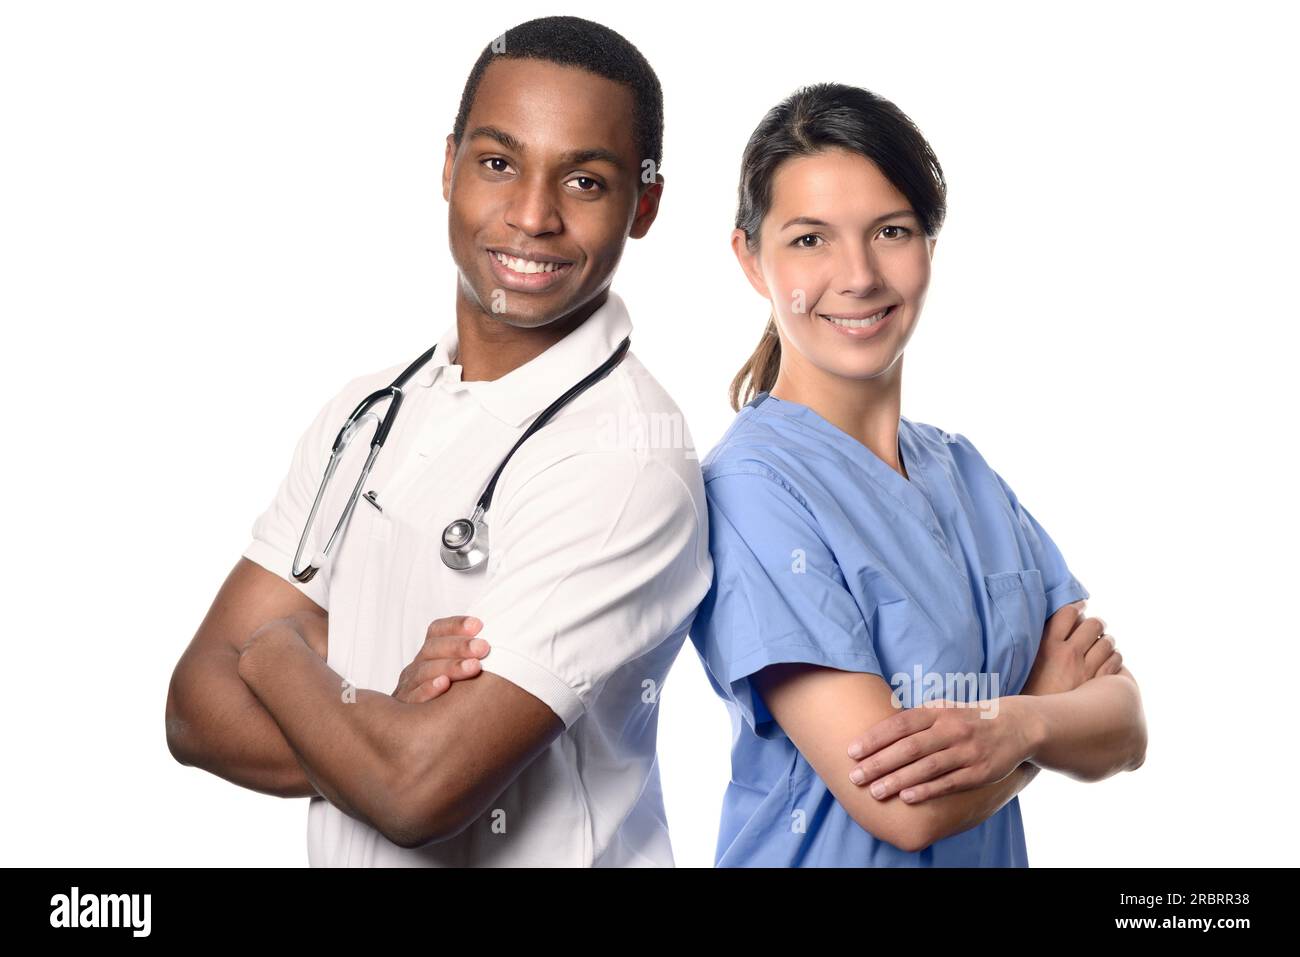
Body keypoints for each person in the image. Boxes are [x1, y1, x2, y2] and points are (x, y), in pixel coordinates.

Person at [165, 16, 713, 867]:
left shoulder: (626, 458)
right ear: (448, 164)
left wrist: (275, 651)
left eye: (586, 181)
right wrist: (376, 714)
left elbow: (416, 789)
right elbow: (195, 707)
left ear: (644, 206)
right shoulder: (374, 408)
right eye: (499, 163)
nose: (532, 216)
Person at [688, 82, 1147, 866]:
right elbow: (902, 807)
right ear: (751, 259)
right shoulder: (751, 490)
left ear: (929, 243)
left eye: (890, 230)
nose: (858, 275)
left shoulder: (965, 472)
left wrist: (1020, 724)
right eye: (809, 239)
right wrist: (1041, 713)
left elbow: (1127, 724)